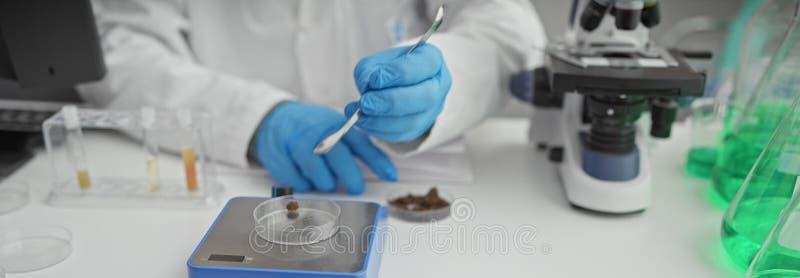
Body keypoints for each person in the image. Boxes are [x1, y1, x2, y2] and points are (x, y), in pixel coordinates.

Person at [79, 0, 547, 194]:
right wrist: (253, 118)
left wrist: (447, 79)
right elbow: (117, 44)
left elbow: (507, 25)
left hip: (405, 183)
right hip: (230, 180)